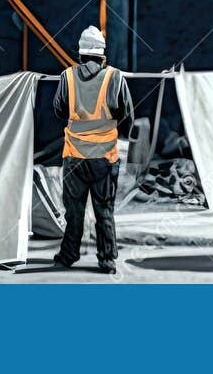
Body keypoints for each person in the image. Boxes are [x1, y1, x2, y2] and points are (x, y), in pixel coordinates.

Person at [52, 25, 134, 274]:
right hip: (104, 157)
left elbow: (59, 110)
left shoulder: (67, 77)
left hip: (74, 156)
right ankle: (107, 260)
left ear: (80, 54)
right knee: (104, 210)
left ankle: (68, 255)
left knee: (74, 211)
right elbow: (127, 115)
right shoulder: (115, 77)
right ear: (102, 55)